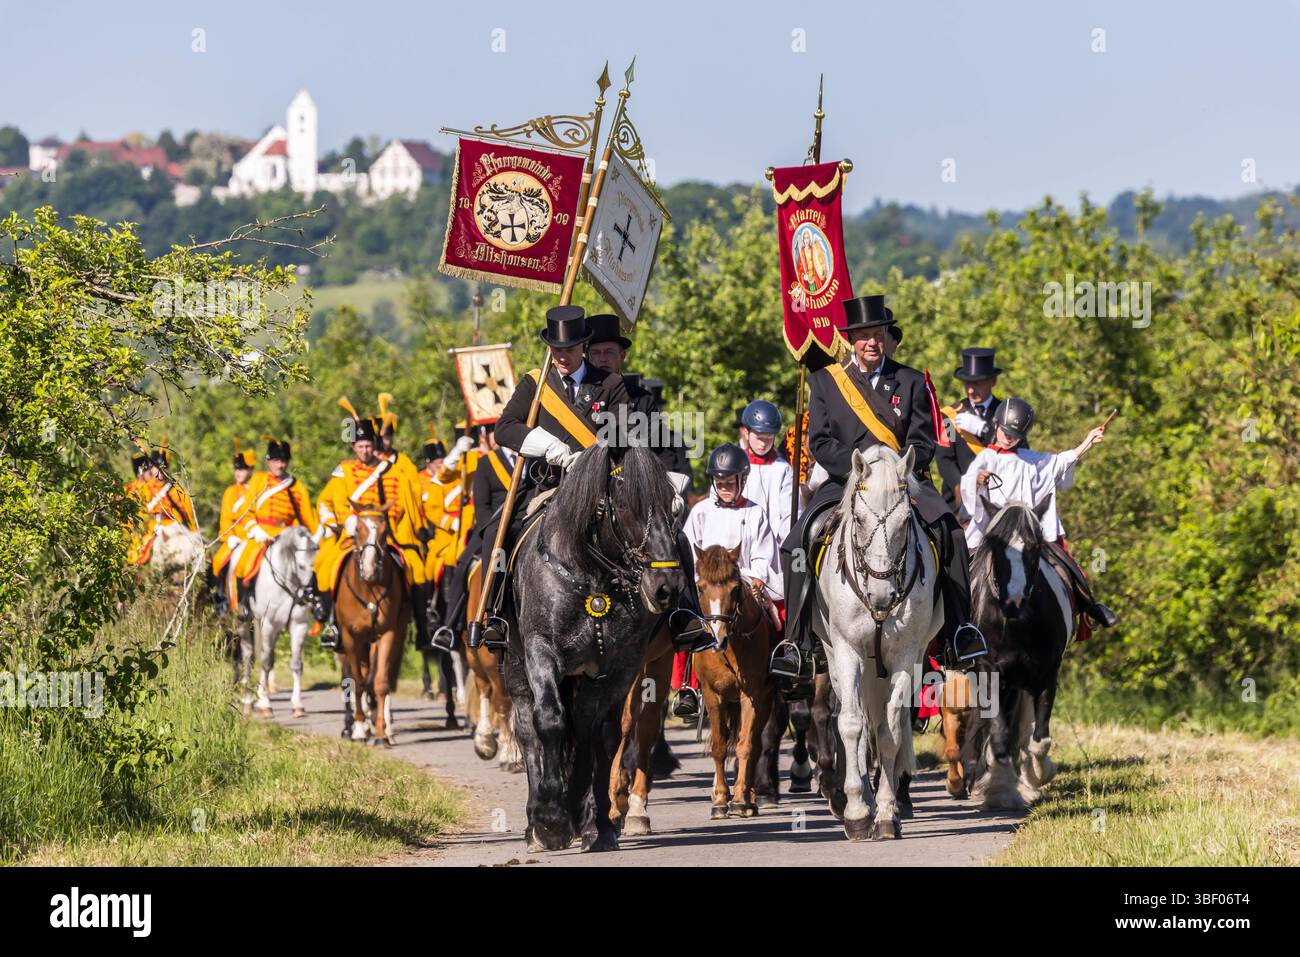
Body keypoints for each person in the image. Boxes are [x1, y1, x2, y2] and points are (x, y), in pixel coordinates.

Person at [772, 294, 987, 682]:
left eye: (879, 334)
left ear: (888, 337)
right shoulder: (825, 381)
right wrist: (861, 470)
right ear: (851, 340)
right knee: (797, 544)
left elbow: (923, 441)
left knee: (952, 534)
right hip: (846, 482)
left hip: (904, 482)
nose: (873, 342)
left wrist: (897, 469)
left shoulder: (910, 380)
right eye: (865, 335)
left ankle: (959, 632)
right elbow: (819, 442)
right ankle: (798, 643)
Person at [474, 305, 631, 649]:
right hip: (547, 487)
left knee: (648, 534)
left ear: (583, 347)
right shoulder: (535, 383)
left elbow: (621, 434)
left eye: (570, 349)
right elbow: (505, 429)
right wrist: (549, 446)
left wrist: (590, 460)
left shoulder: (609, 384)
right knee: (495, 534)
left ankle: (663, 616)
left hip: (597, 488)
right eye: (557, 350)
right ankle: (496, 613)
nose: (563, 356)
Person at [960, 397, 1117, 630]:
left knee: (1064, 560)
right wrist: (978, 480)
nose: (1008, 437)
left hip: (1025, 531)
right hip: (993, 531)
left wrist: (1088, 441)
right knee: (959, 564)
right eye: (1005, 431)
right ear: (996, 426)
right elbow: (968, 485)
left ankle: (1089, 604)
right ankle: (953, 622)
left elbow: (1062, 461)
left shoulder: (1032, 460)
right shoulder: (986, 457)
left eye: (1013, 433)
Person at [672, 443, 784, 718]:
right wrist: (699, 580)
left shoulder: (755, 512)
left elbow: (762, 552)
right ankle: (688, 685)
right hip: (707, 584)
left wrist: (757, 576)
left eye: (729, 483)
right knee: (683, 619)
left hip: (742, 581)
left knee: (777, 616)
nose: (723, 487)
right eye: (719, 482)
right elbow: (689, 548)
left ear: (742, 481)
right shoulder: (700, 511)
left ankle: (780, 665)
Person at [308, 400, 420, 649]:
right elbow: (336, 500)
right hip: (353, 535)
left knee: (414, 568)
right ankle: (329, 621)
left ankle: (412, 619)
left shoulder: (391, 472)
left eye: (369, 445)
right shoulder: (344, 471)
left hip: (382, 535)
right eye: (360, 445)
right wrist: (346, 518)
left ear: (374, 446)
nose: (365, 450)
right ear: (354, 447)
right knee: (324, 565)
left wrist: (380, 525)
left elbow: (399, 504)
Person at [374, 395, 434, 650]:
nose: (384, 441)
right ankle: (334, 623)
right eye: (380, 437)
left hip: (400, 533)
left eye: (387, 437)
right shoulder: (364, 466)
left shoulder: (405, 465)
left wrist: (417, 525)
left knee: (419, 571)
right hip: (369, 531)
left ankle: (422, 628)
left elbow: (412, 501)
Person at [230, 437, 317, 608]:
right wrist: (256, 530)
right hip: (261, 533)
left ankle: (312, 604)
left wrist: (316, 537)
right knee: (243, 563)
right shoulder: (258, 480)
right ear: (268, 461)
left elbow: (308, 519)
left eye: (284, 461)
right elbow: (245, 511)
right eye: (276, 460)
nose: (280, 465)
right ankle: (242, 605)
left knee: (309, 565)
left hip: (287, 535)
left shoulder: (296, 486)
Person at [935, 348, 1005, 523]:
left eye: (978, 383)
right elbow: (944, 459)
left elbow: (1020, 450)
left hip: (1000, 496)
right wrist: (961, 488)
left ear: (993, 381)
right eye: (968, 384)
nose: (971, 391)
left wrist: (986, 430)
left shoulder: (1007, 413)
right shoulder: (948, 416)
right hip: (960, 503)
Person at [126, 446, 198, 565]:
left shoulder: (178, 491)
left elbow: (188, 517)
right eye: (156, 467)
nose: (160, 471)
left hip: (175, 528)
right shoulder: (144, 488)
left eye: (163, 468)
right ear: (151, 468)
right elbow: (140, 514)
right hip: (152, 530)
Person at [210, 442, 258, 612]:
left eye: (243, 469)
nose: (238, 472)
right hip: (236, 537)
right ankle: (220, 597)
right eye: (237, 469)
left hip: (255, 537)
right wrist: (229, 537)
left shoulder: (257, 488)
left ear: (251, 470)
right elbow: (225, 518)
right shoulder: (231, 491)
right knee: (218, 562)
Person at [738, 400, 793, 542]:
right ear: (746, 432)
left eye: (769, 438)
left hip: (772, 544)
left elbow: (789, 513)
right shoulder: (734, 464)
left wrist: (786, 543)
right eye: (758, 438)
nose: (763, 444)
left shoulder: (783, 469)